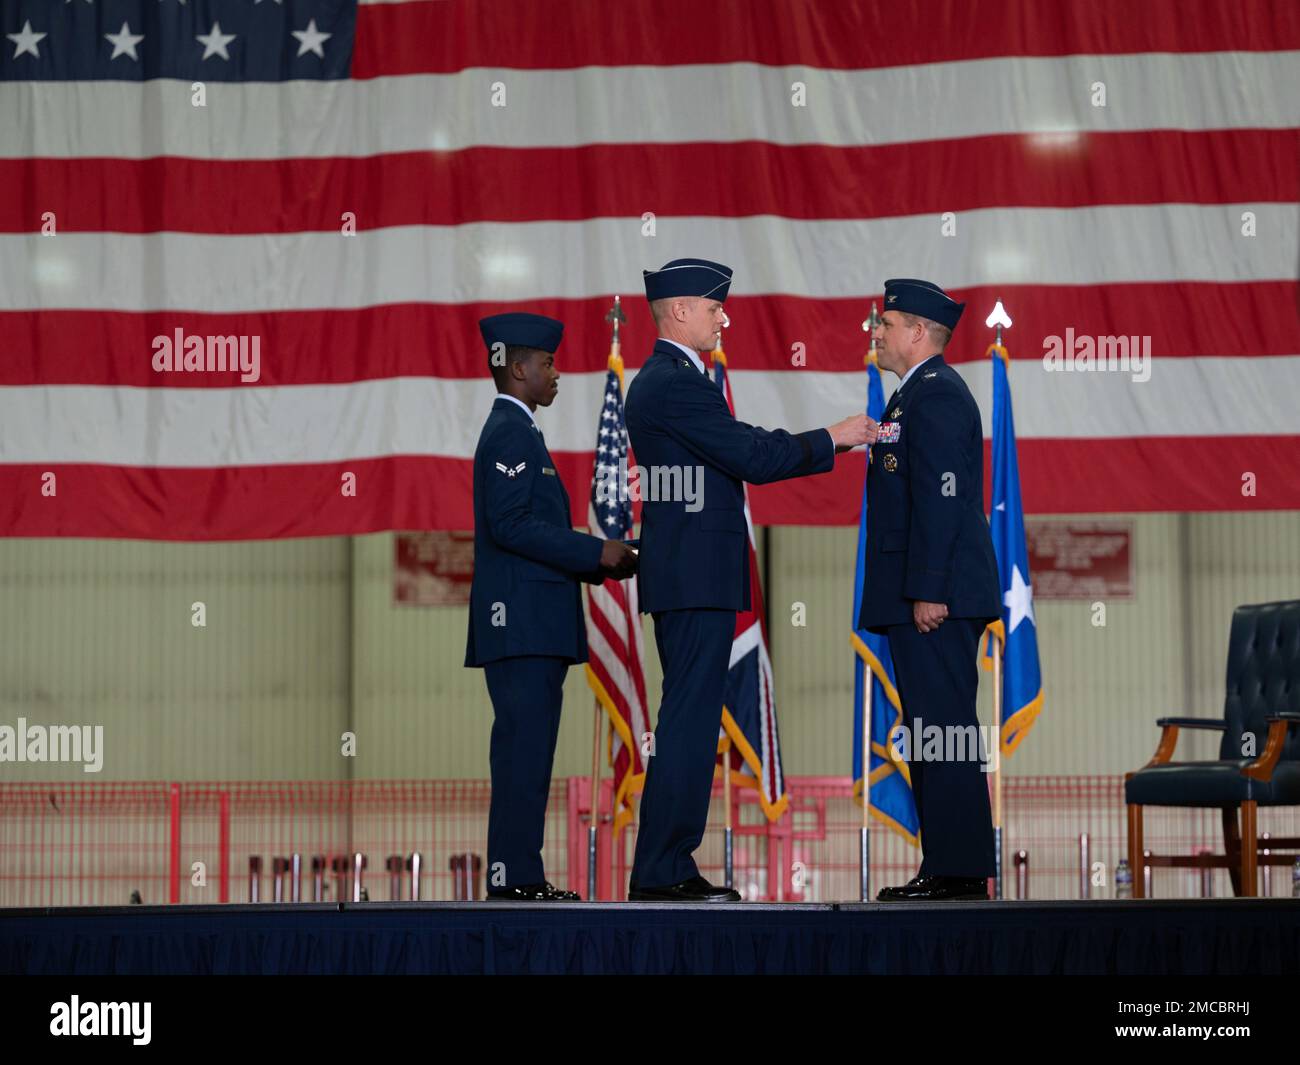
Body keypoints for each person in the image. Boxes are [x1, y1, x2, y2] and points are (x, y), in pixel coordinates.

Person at [624, 258, 876, 902]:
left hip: (693, 578)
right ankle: (662, 869)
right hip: (694, 581)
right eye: (714, 308)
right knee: (686, 723)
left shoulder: (672, 380)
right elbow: (751, 456)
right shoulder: (674, 384)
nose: (723, 317)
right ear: (679, 311)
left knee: (692, 721)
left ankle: (668, 864)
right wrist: (834, 438)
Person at [465, 312, 637, 901]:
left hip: (531, 627)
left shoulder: (520, 431)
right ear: (519, 369)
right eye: (548, 364)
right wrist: (597, 552)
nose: (556, 374)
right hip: (521, 628)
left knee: (528, 754)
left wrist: (598, 559)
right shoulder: (510, 432)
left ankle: (518, 876)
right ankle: (515, 880)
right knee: (522, 754)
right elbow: (511, 524)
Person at [861, 279, 1002, 902]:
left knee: (943, 728)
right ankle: (946, 861)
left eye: (886, 324)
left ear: (918, 332)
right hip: (918, 592)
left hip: (935, 597)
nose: (876, 332)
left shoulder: (937, 396)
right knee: (928, 730)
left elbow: (943, 500)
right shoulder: (909, 398)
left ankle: (961, 869)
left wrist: (929, 589)